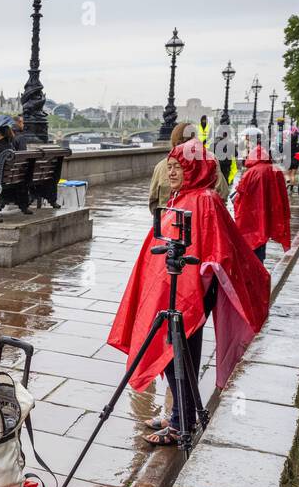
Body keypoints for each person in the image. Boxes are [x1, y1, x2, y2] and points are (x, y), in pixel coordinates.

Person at [111, 139, 271, 446]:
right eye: (169, 167)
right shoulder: (186, 197)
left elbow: (215, 253)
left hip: (186, 294)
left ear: (194, 168)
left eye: (178, 167)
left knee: (177, 352)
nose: (171, 173)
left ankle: (181, 420)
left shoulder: (202, 200)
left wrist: (194, 289)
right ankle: (179, 415)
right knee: (174, 352)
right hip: (175, 290)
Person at [147, 121, 228, 216]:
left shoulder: (161, 166)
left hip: (167, 224)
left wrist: (164, 217)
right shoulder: (209, 162)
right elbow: (222, 194)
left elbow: (153, 201)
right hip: (201, 219)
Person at [232, 144, 291, 264]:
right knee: (263, 235)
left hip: (252, 213)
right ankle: (260, 262)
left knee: (254, 238)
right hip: (270, 210)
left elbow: (241, 192)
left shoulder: (250, 172)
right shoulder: (275, 170)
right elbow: (282, 193)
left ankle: (256, 267)